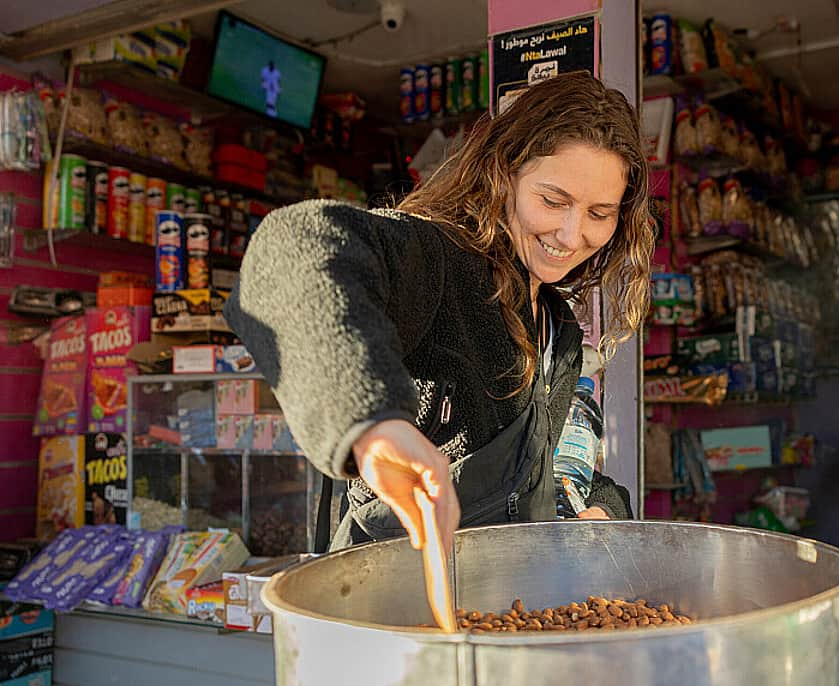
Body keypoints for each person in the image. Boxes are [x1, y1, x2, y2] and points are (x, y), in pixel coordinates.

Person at [225, 71, 652, 554]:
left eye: (600, 213)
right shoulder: (439, 260)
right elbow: (297, 248)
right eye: (553, 201)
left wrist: (604, 508)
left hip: (510, 607)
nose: (573, 236)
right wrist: (373, 425)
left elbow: (541, 475)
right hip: (394, 605)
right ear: (502, 174)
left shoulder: (560, 330)